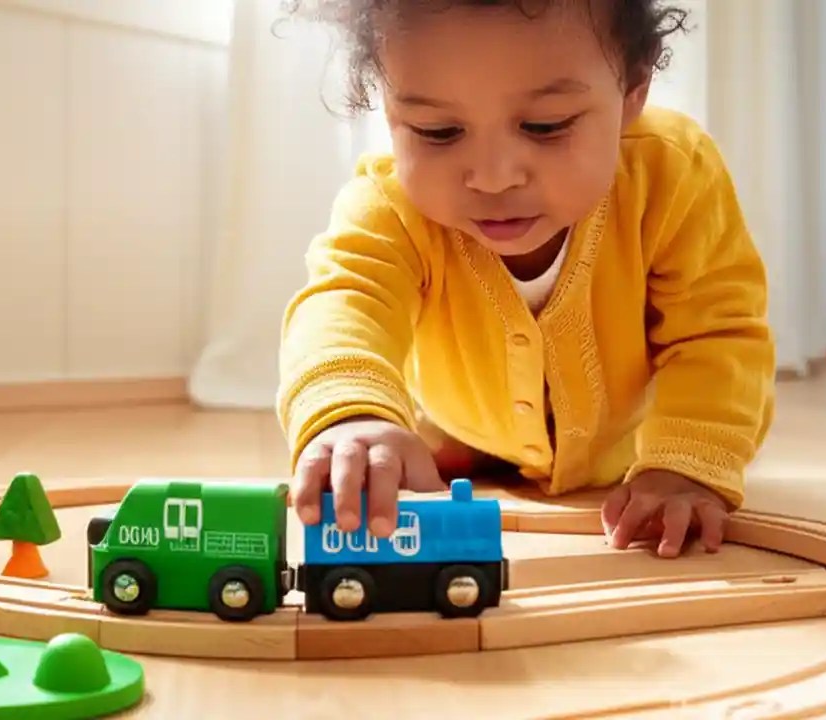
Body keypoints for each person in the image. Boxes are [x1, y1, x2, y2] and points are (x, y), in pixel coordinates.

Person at [274, 0, 776, 559]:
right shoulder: (388, 208)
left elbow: (716, 334)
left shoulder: (673, 175)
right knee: (424, 450)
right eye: (437, 132)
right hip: (458, 430)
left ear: (634, 87)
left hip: (620, 451)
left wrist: (686, 464)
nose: (492, 177)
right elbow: (346, 302)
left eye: (546, 126)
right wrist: (352, 412)